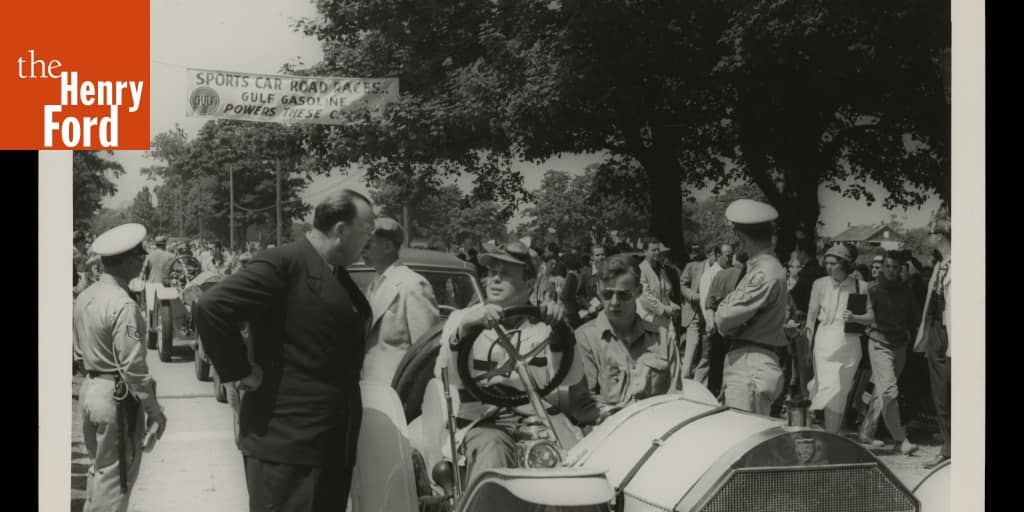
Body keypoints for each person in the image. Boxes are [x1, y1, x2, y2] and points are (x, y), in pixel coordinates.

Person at [193, 189, 375, 512]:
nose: (369, 242)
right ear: (340, 230)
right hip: (286, 448)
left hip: (326, 446)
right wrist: (241, 371)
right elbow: (212, 307)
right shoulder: (284, 263)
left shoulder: (335, 273)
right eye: (366, 231)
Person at [433, 240, 600, 483]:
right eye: (491, 273)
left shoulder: (545, 324)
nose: (494, 280)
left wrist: (560, 332)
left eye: (505, 275)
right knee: (493, 454)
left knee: (576, 463)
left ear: (530, 284)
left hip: (540, 421)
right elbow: (445, 376)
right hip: (483, 422)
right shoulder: (463, 319)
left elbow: (570, 378)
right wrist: (466, 329)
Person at [73, 223, 168, 512]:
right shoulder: (123, 305)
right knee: (116, 484)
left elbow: (77, 352)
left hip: (90, 389)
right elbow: (133, 367)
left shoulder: (85, 296)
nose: (142, 260)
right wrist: (155, 411)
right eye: (138, 254)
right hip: (115, 396)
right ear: (126, 260)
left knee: (100, 473)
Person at [576, 254, 682, 416]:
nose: (614, 302)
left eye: (624, 295)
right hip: (612, 432)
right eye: (607, 294)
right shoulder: (585, 339)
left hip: (658, 432)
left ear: (638, 291)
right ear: (598, 290)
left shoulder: (662, 338)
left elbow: (675, 397)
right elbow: (583, 405)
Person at [714, 200, 789, 415]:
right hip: (751, 359)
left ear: (741, 238)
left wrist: (723, 307)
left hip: (751, 363)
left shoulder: (763, 272)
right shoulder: (762, 269)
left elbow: (724, 318)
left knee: (743, 435)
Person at [361, 217, 442, 384]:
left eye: (369, 243)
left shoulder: (412, 284)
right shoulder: (374, 284)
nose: (363, 248)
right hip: (371, 388)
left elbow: (426, 354)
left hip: (397, 392)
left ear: (388, 247)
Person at [805, 244, 873, 433]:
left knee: (841, 392)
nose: (828, 267)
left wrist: (855, 318)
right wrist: (807, 346)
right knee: (827, 386)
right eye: (826, 263)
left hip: (849, 345)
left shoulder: (861, 286)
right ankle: (810, 429)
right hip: (824, 343)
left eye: (833, 263)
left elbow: (871, 317)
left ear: (844, 264)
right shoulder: (819, 284)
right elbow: (811, 318)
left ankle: (831, 436)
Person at [857, 251, 920, 454]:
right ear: (882, 267)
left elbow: (914, 318)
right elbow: (866, 315)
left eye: (895, 267)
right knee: (890, 390)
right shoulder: (872, 289)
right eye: (888, 266)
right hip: (878, 342)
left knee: (882, 389)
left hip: (900, 345)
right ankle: (901, 440)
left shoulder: (906, 290)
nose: (891, 271)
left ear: (902, 268)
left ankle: (866, 432)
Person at [915, 202, 951, 470]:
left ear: (939, 236)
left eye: (930, 233)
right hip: (938, 331)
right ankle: (948, 446)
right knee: (940, 392)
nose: (927, 238)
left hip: (955, 332)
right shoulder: (939, 266)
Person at [704, 251, 748, 396]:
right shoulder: (750, 277)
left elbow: (709, 304)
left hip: (719, 329)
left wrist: (711, 323)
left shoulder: (721, 275)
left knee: (716, 367)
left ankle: (713, 397)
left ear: (735, 258)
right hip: (740, 332)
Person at [680, 244, 714, 381]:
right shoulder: (692, 266)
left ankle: (700, 383)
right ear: (709, 255)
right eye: (713, 256)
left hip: (709, 317)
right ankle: (683, 380)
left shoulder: (720, 270)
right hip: (694, 314)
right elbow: (682, 284)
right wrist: (692, 296)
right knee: (691, 350)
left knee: (706, 353)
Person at [636, 239, 682, 328]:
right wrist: (665, 309)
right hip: (647, 318)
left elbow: (665, 293)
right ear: (645, 252)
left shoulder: (661, 269)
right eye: (653, 250)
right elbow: (645, 297)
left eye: (658, 250)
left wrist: (671, 304)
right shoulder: (641, 269)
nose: (657, 252)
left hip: (664, 318)